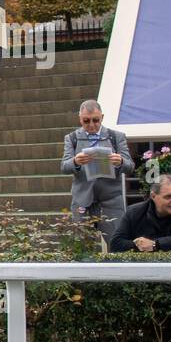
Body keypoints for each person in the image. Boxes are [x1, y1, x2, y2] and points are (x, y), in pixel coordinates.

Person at [61, 100, 133, 239]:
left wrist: (120, 161)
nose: (92, 125)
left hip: (110, 199)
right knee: (81, 245)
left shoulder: (116, 137)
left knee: (116, 242)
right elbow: (64, 166)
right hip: (83, 199)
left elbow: (130, 166)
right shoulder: (72, 138)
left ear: (102, 118)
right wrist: (75, 161)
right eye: (86, 121)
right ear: (80, 119)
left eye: (96, 120)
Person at [109, 175, 171, 252]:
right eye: (168, 197)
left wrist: (156, 244)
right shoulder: (134, 212)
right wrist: (139, 245)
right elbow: (115, 244)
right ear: (153, 196)